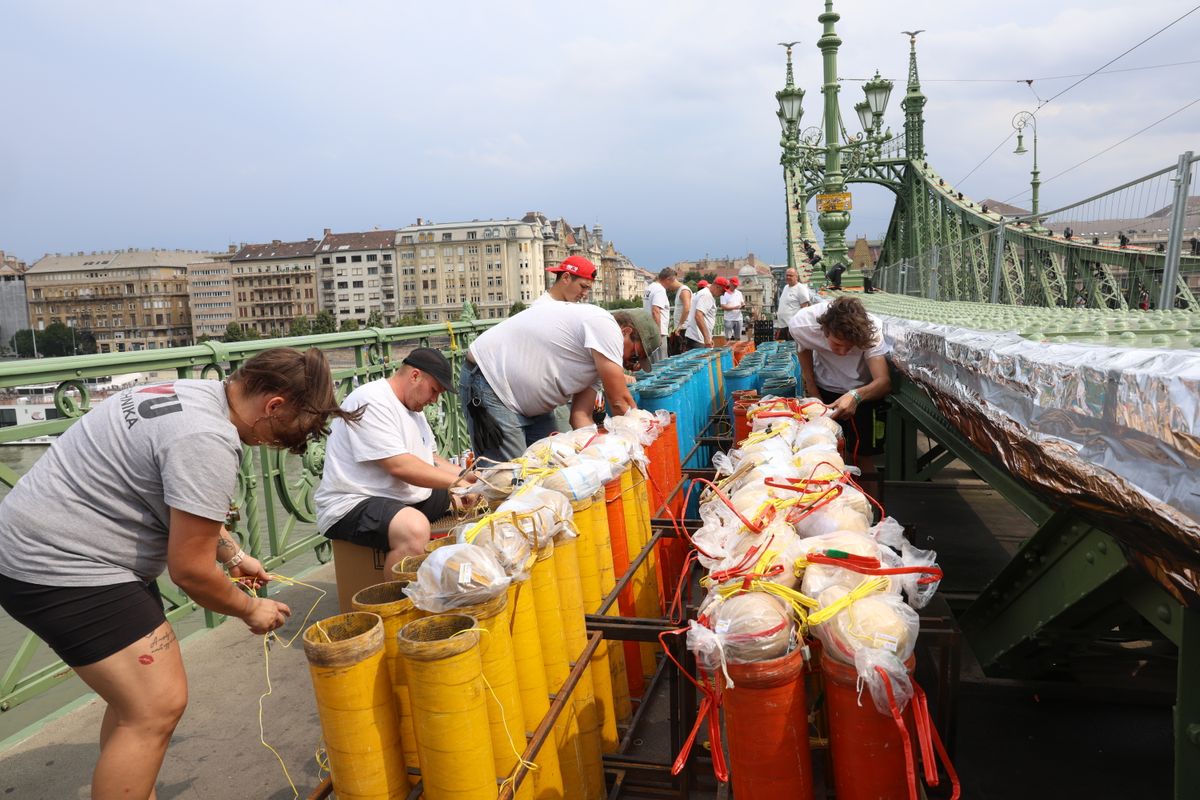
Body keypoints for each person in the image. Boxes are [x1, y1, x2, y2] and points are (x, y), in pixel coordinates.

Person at [0, 347, 355, 800]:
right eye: (292, 433)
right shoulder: (206, 438)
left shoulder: (192, 392)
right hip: (60, 565)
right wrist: (251, 609)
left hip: (44, 544)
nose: (288, 445)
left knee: (137, 704)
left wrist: (232, 555)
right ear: (274, 406)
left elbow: (173, 499)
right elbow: (188, 571)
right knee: (155, 705)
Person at [316, 348, 476, 574]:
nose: (434, 400)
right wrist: (457, 483)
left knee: (473, 496)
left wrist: (470, 476)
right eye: (434, 391)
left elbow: (431, 460)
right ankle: (395, 605)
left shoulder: (414, 408)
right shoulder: (371, 400)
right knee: (414, 529)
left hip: (396, 495)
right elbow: (399, 466)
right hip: (353, 502)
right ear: (415, 376)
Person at [461, 305, 660, 462]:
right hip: (492, 385)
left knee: (551, 466)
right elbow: (619, 402)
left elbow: (580, 417)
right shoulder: (605, 326)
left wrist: (599, 450)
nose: (630, 366)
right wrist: (637, 437)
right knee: (511, 480)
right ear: (625, 332)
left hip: (530, 405)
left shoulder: (596, 363)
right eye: (634, 357)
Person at [788, 297, 891, 469]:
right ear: (825, 331)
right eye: (836, 344)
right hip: (826, 390)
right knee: (823, 452)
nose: (842, 352)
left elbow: (884, 381)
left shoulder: (871, 330)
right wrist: (813, 393)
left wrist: (856, 396)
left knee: (861, 457)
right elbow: (804, 348)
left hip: (863, 393)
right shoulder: (802, 325)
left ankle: (863, 493)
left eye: (850, 346)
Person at [684, 277, 725, 350]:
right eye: (723, 291)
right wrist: (706, 338)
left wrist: (708, 337)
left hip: (694, 336)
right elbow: (698, 315)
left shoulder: (702, 293)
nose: (723, 294)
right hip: (698, 338)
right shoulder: (707, 295)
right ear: (717, 287)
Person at [774, 267, 812, 341]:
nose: (788, 277)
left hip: (793, 327)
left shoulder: (801, 288)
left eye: (791, 275)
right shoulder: (785, 287)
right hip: (783, 326)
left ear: (796, 277)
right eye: (787, 275)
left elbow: (804, 309)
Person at [667, 272, 693, 356]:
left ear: (670, 280)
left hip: (684, 329)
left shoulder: (684, 290)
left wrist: (679, 326)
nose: (667, 288)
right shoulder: (681, 290)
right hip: (681, 329)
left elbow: (687, 308)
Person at [643, 268, 673, 340]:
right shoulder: (660, 290)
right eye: (672, 281)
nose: (671, 284)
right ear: (667, 279)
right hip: (659, 332)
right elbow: (655, 311)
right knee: (661, 351)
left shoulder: (649, 287)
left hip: (649, 328)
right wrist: (658, 332)